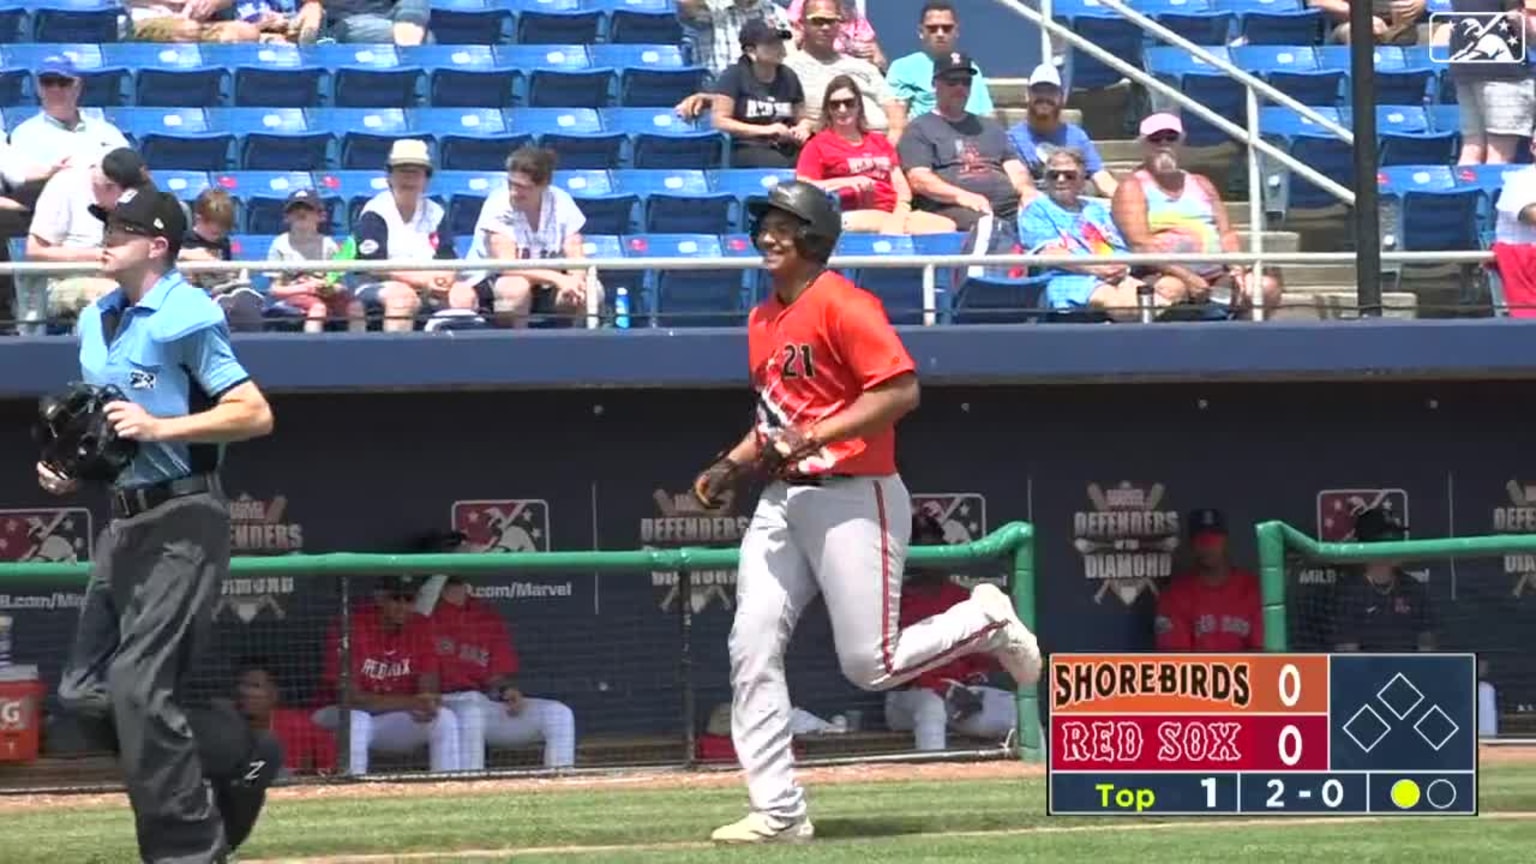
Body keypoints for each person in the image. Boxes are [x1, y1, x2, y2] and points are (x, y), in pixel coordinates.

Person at [690, 180, 1042, 845]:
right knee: (751, 646)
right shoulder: (762, 318)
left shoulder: (846, 305)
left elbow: (902, 390)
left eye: (783, 226)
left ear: (814, 238)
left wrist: (815, 436)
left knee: (869, 665)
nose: (767, 235)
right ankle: (779, 812)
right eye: (764, 223)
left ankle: (985, 618)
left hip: (857, 491)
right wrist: (731, 463)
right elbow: (774, 422)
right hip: (781, 497)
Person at [45, 184, 276, 864]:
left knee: (139, 689)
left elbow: (255, 412)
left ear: (157, 245)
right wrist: (71, 466)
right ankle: (239, 752)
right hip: (123, 521)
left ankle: (188, 854)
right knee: (84, 693)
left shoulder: (187, 313)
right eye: (105, 225)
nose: (105, 237)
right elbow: (106, 427)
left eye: (120, 228)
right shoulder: (95, 319)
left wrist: (161, 426)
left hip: (183, 514)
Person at [418, 534, 577, 770]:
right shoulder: (424, 609)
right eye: (457, 557)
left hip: (483, 703)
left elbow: (495, 675)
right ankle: (469, 789)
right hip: (445, 704)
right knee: (471, 713)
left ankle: (559, 791)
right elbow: (425, 598)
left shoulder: (485, 614)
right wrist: (448, 560)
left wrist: (506, 689)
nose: (464, 561)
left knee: (559, 714)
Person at [1110, 113, 1283, 313]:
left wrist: (1236, 268)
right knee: (1170, 289)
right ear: (1143, 144)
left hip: (1217, 272)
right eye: (1155, 139)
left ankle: (1243, 338)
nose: (1164, 144)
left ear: (1181, 141)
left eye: (1171, 137)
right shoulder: (1133, 186)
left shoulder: (1201, 183)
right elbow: (1140, 246)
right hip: (1166, 274)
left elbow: (1226, 233)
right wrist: (1187, 277)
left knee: (1265, 288)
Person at [883, 511, 1017, 752]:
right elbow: (892, 669)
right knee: (930, 706)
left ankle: (1045, 781)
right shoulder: (895, 601)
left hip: (960, 701)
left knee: (1019, 714)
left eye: (938, 548)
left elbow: (979, 656)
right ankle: (934, 781)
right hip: (907, 702)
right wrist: (943, 688)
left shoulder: (962, 597)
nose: (934, 560)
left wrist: (1005, 653)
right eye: (925, 550)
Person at [314, 575, 463, 776]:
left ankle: (448, 789)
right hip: (335, 716)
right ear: (380, 598)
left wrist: (427, 703)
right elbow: (351, 699)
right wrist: (411, 703)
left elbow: (428, 687)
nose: (402, 606)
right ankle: (351, 790)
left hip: (388, 720)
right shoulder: (351, 625)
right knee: (358, 720)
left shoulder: (421, 626)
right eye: (395, 598)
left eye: (408, 600)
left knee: (444, 718)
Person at [1018, 148, 1184, 318]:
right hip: (1067, 278)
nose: (1061, 180)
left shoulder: (1098, 209)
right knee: (1123, 304)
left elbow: (1123, 244)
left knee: (1172, 288)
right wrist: (1099, 269)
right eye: (1054, 175)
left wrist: (1122, 268)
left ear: (1083, 180)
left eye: (1069, 175)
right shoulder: (1036, 210)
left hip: (1117, 274)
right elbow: (1051, 254)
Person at [795, 75, 955, 234]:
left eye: (849, 103)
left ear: (859, 106)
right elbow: (803, 186)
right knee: (859, 223)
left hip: (894, 213)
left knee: (945, 226)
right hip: (849, 213)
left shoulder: (879, 141)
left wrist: (900, 213)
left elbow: (901, 186)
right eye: (835, 105)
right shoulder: (817, 145)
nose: (842, 109)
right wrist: (847, 182)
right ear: (828, 110)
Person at [466, 146, 602, 329]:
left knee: (590, 290)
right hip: (495, 282)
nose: (514, 192)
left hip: (547, 285)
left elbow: (575, 252)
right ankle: (515, 346)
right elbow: (508, 267)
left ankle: (570, 345)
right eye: (511, 184)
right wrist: (558, 279)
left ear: (543, 185)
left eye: (522, 187)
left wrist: (575, 279)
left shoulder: (562, 201)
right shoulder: (498, 204)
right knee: (515, 289)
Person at [898, 52, 1035, 233]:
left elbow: (1014, 168)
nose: (960, 88)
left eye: (965, 82)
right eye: (952, 82)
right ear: (934, 84)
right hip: (951, 208)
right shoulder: (919, 128)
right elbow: (919, 179)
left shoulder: (990, 127)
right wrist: (961, 196)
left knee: (1046, 214)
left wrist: (1027, 191)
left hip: (1007, 207)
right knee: (988, 226)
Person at [1154, 508, 1263, 652]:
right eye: (1201, 541)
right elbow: (1178, 662)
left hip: (1246, 673)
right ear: (1191, 545)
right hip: (1197, 674)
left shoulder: (1252, 589)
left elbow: (1263, 656)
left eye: (1213, 540)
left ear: (1226, 542)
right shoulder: (1175, 596)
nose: (1207, 546)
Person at [1330, 507, 1437, 653]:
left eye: (1399, 538)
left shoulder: (1413, 588)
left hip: (1410, 673)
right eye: (1391, 539)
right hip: (1366, 673)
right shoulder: (1349, 593)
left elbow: (1427, 648)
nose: (1398, 546)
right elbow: (1348, 655)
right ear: (1368, 544)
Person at [711, 20, 813, 169]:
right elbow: (720, 121)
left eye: (780, 42)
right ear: (751, 51)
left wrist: (803, 128)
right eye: (771, 44)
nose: (779, 47)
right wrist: (767, 130)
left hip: (786, 145)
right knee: (780, 165)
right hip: (748, 146)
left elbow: (802, 117)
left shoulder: (788, 76)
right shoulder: (734, 75)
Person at [267, 188, 365, 333]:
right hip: (294, 294)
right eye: (295, 210)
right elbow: (274, 290)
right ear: (286, 217)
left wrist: (329, 288)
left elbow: (340, 284)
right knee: (318, 308)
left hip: (326, 294)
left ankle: (359, 347)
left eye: (308, 209)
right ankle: (312, 350)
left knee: (355, 307)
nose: (301, 213)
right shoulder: (280, 244)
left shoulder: (328, 244)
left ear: (321, 216)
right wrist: (305, 288)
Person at [884, 1, 995, 119]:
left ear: (956, 31)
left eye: (947, 28)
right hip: (926, 135)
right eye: (932, 28)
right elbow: (896, 121)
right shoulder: (903, 68)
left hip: (971, 133)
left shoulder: (970, 69)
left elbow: (986, 115)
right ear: (921, 32)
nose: (940, 33)